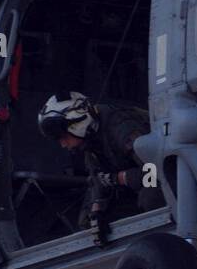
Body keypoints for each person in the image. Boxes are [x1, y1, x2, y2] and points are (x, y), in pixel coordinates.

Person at [37, 91, 162, 237]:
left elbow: (155, 173)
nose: (64, 144)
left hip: (166, 177)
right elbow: (96, 179)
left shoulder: (120, 126)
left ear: (77, 124)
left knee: (151, 197)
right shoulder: (90, 140)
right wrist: (97, 211)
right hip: (132, 182)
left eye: (64, 137)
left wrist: (119, 178)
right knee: (88, 221)